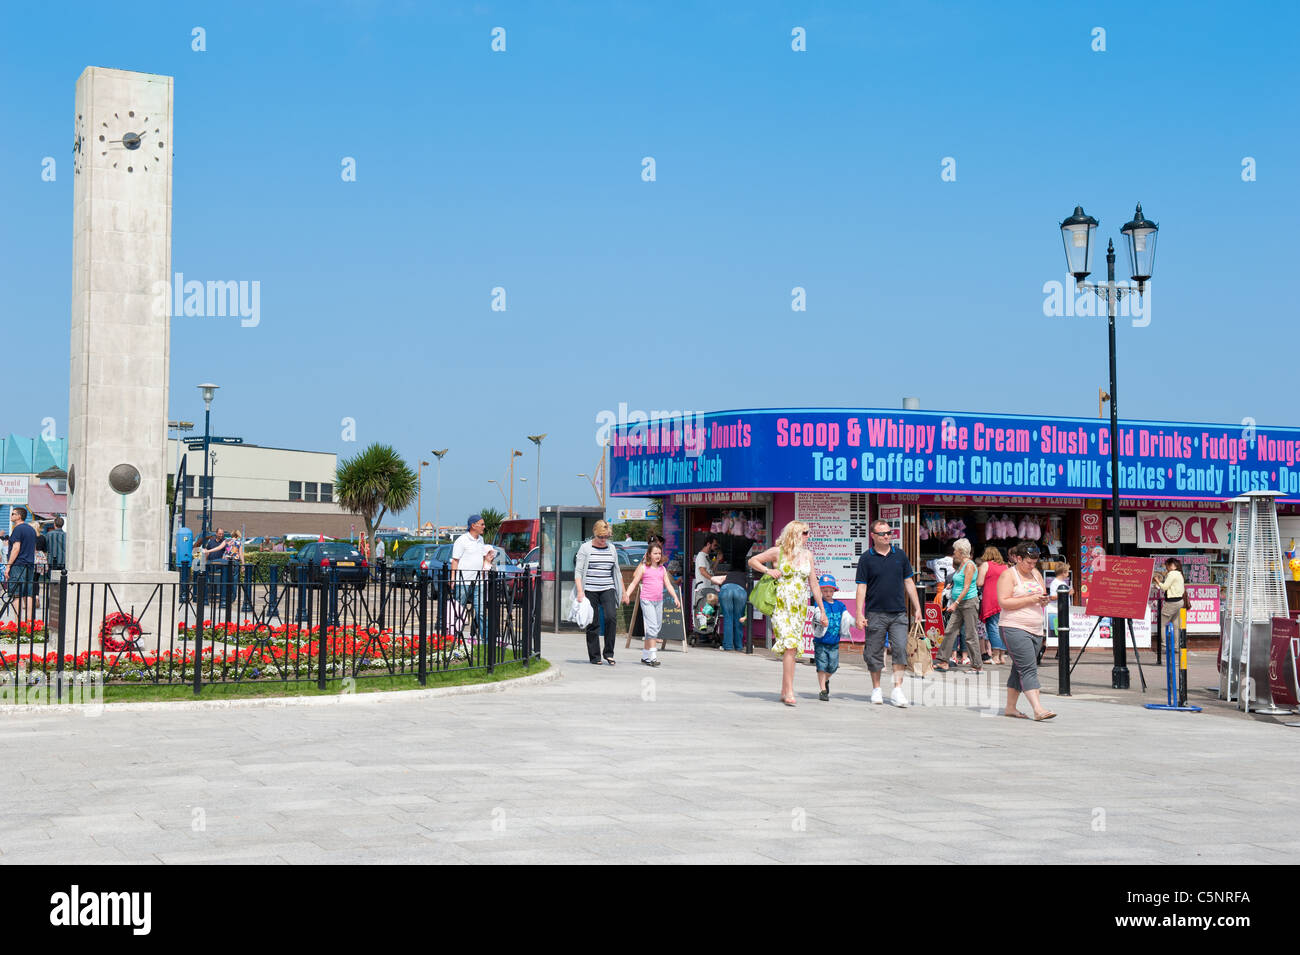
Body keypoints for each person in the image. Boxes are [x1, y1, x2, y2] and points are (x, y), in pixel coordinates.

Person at [748, 520, 827, 707]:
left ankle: (785, 689)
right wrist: (769, 570)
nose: (808, 536)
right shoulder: (779, 552)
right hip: (782, 606)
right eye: (805, 532)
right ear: (795, 534)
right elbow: (753, 560)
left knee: (791, 648)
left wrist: (821, 610)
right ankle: (790, 690)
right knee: (790, 645)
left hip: (799, 608)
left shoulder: (808, 555)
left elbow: (814, 583)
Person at [854, 519, 923, 707]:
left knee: (900, 649)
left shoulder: (900, 555)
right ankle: (876, 688)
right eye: (882, 533)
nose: (887, 536)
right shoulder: (866, 558)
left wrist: (917, 607)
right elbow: (861, 587)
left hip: (898, 613)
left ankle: (897, 689)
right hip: (875, 612)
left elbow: (909, 582)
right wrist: (859, 613)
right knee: (874, 652)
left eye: (889, 533)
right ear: (873, 536)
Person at [996, 541, 1056, 721]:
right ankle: (1038, 709)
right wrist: (1031, 599)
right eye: (1028, 562)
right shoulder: (1009, 575)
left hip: (1036, 628)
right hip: (1014, 626)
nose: (1032, 566)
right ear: (1018, 558)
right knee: (1029, 668)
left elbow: (1040, 596)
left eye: (1034, 563)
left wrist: (1043, 600)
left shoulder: (1036, 574)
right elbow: (1004, 602)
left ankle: (1010, 707)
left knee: (1019, 668)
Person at [574, 519, 623, 665]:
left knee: (611, 617)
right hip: (590, 588)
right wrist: (580, 591)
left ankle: (609, 653)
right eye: (601, 537)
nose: (603, 540)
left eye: (606, 537)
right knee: (593, 623)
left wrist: (624, 592)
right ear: (595, 534)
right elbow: (578, 571)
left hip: (607, 587)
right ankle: (595, 656)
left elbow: (617, 572)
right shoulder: (585, 548)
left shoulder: (612, 549)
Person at [624, 540, 680, 666]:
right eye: (655, 553)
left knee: (656, 628)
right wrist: (627, 594)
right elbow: (633, 582)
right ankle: (653, 656)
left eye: (659, 553)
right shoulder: (644, 568)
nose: (657, 555)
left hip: (659, 601)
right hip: (647, 600)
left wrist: (675, 597)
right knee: (653, 627)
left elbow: (668, 585)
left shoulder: (662, 569)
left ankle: (645, 655)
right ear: (649, 554)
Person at [934, 538, 980, 672]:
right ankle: (943, 660)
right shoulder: (961, 564)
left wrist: (956, 603)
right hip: (959, 603)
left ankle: (977, 665)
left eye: (955, 550)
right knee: (950, 631)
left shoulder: (969, 565)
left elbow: (967, 587)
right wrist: (952, 586)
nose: (953, 552)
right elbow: (960, 583)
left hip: (968, 602)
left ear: (960, 551)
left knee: (970, 634)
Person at [450, 514, 495, 637]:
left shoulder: (481, 540)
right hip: (463, 581)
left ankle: (484, 638)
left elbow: (480, 557)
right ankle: (454, 636)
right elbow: (455, 560)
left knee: (480, 611)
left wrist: (487, 559)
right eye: (482, 524)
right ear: (473, 525)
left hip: (478, 581)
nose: (484, 527)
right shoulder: (461, 540)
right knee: (459, 610)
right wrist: (453, 578)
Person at [813, 573, 851, 701]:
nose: (828, 593)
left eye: (830, 590)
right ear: (821, 591)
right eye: (824, 590)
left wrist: (855, 622)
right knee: (822, 666)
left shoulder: (840, 605)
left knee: (833, 667)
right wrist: (820, 619)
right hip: (820, 641)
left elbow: (847, 618)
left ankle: (826, 680)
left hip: (834, 642)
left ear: (834, 590)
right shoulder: (819, 604)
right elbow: (817, 615)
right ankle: (823, 690)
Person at [5, 506, 38, 623]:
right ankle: (29, 622)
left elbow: (16, 548)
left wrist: (8, 566)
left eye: (13, 514)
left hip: (18, 564)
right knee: (28, 594)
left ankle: (18, 624)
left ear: (19, 516)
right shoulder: (32, 530)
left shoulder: (18, 529)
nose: (11, 516)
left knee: (16, 594)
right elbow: (34, 549)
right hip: (29, 564)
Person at [976, 546, 1008, 665]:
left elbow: (980, 582)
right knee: (1002, 626)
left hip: (991, 599)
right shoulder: (1005, 567)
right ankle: (1002, 656)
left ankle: (995, 656)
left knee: (993, 626)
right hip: (1003, 598)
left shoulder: (986, 565)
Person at [1153, 557, 1185, 651]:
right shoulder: (1179, 574)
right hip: (1180, 601)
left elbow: (1165, 587)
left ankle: (1163, 646)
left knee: (1162, 624)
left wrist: (1157, 581)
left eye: (1166, 566)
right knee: (1176, 626)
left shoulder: (1172, 574)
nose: (1166, 568)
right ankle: (1176, 646)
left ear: (1171, 566)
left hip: (1171, 602)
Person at [718, 581, 748, 652]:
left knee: (728, 618)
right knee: (739, 618)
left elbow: (716, 579)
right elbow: (747, 585)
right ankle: (738, 646)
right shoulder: (747, 571)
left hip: (726, 589)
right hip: (740, 590)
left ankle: (728, 646)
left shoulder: (727, 574)